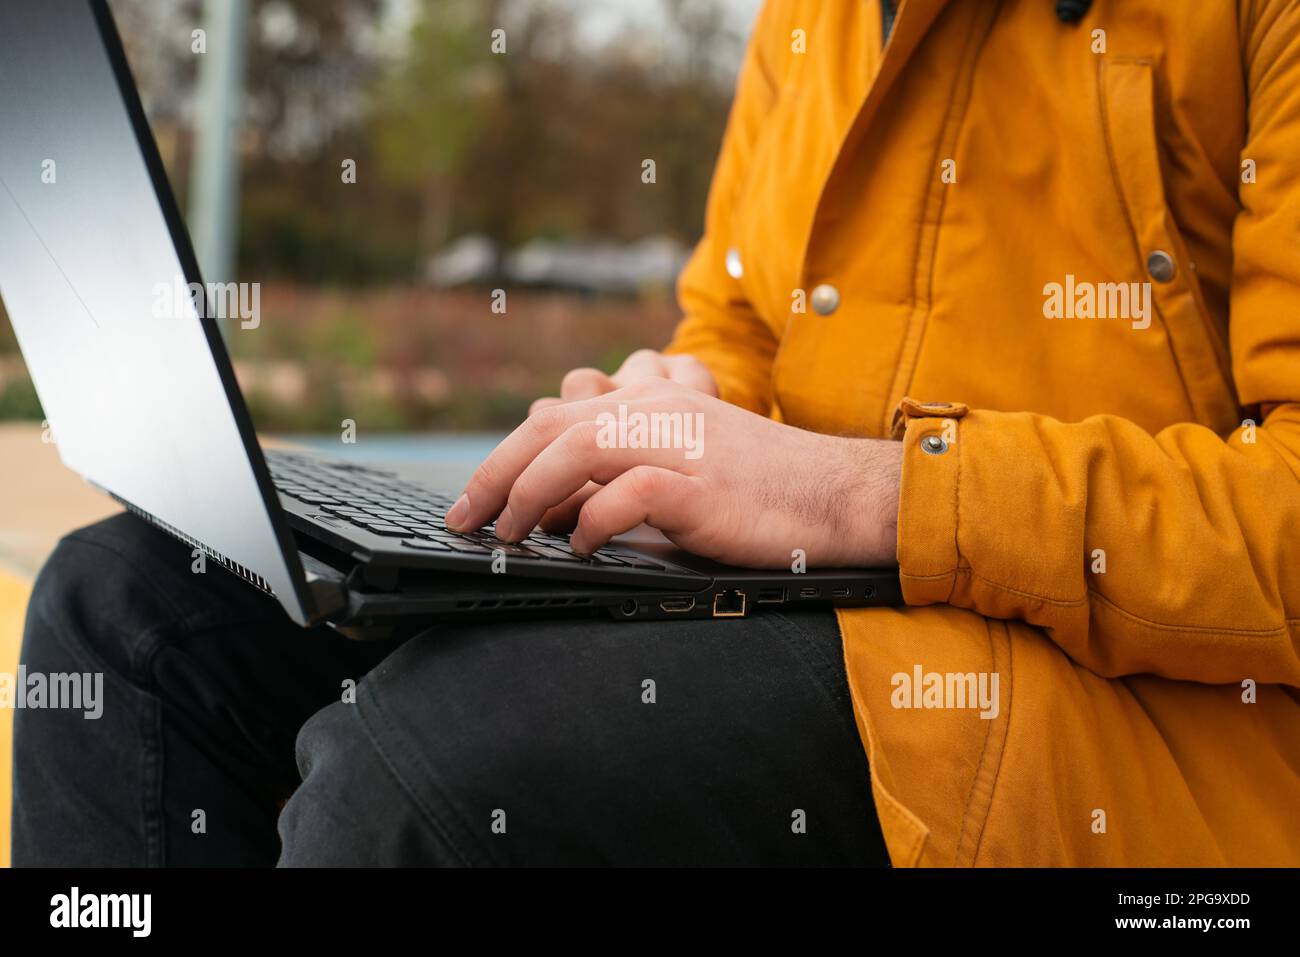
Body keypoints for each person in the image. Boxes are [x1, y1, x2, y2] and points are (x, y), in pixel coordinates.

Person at [13, 0, 1300, 866]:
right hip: (822, 606)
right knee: (129, 606)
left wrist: (870, 497)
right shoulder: (818, 19)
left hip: (1151, 715)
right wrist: (682, 402)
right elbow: (738, 313)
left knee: (417, 776)